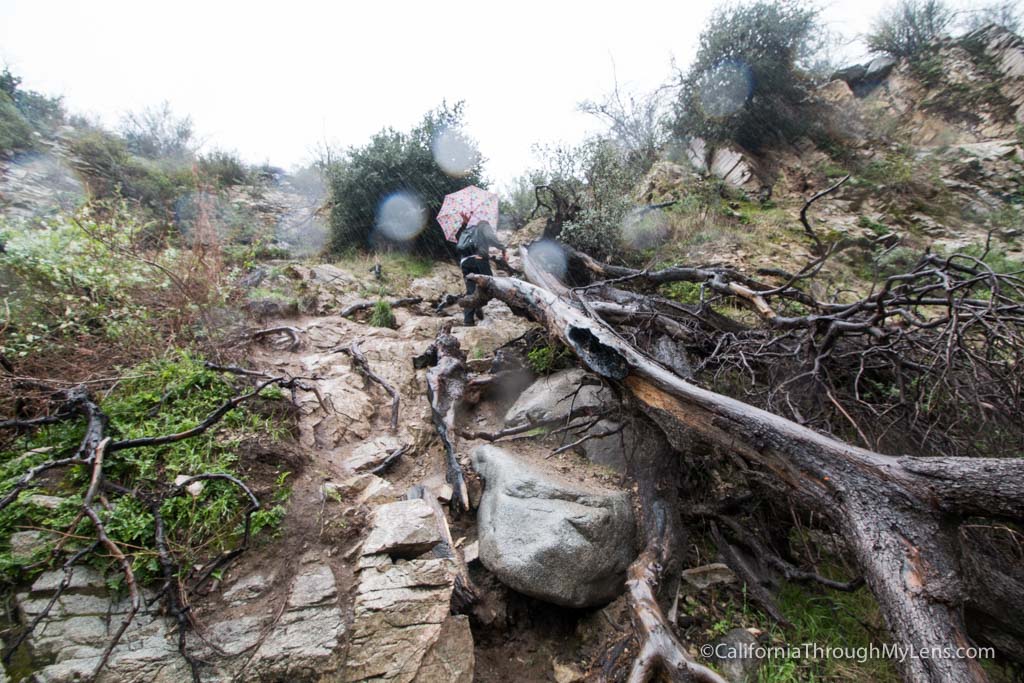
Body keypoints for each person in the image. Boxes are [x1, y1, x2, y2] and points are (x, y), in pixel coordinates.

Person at [455, 215, 506, 326]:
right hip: (479, 260)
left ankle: (468, 321)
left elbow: (457, 240)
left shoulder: (467, 230)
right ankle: (478, 304)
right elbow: (491, 238)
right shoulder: (484, 225)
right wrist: (503, 248)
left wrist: (464, 224)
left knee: (470, 290)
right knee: (489, 285)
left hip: (465, 262)